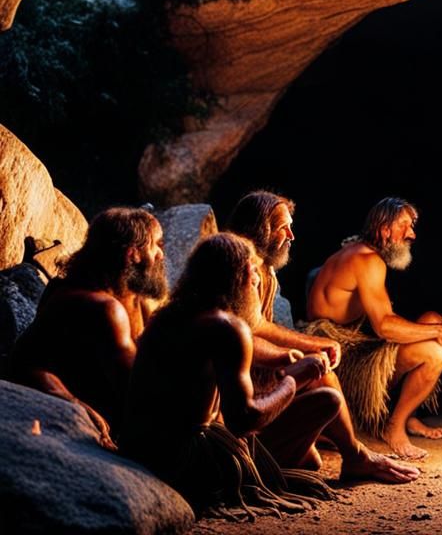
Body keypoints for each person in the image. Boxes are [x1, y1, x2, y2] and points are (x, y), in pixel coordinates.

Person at [121, 233, 339, 520]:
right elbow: (244, 419)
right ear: (240, 276)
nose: (258, 282)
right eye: (253, 272)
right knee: (326, 408)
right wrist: (293, 379)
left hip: (146, 446)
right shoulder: (225, 328)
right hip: (183, 458)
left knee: (319, 416)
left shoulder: (170, 315)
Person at [227, 191, 417, 482]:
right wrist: (289, 355)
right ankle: (355, 456)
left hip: (257, 382)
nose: (291, 235)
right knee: (321, 376)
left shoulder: (265, 269)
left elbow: (259, 324)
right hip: (235, 406)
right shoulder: (239, 269)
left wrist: (314, 344)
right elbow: (241, 333)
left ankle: (352, 452)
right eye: (282, 228)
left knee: (311, 462)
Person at [306, 197, 442, 460]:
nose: (412, 233)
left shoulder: (356, 250)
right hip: (343, 360)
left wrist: (434, 326)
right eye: (405, 226)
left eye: (412, 226)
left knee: (432, 318)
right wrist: (438, 332)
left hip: (351, 343)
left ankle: (409, 417)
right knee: (435, 349)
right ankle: (394, 427)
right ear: (384, 229)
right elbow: (385, 325)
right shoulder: (367, 260)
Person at [6, 207, 168, 448]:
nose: (161, 255)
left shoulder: (135, 298)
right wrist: (74, 405)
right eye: (156, 244)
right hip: (80, 426)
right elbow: (136, 389)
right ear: (132, 254)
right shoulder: (99, 306)